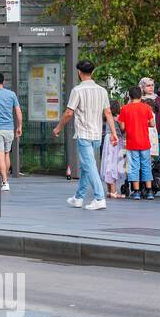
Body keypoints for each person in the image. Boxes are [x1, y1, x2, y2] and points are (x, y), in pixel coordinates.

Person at [52, 59, 115, 211]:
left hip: (84, 134)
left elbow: (69, 112)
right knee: (87, 166)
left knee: (90, 166)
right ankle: (78, 197)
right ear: (92, 72)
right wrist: (113, 132)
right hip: (97, 135)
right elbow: (108, 112)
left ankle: (99, 198)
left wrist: (58, 127)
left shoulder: (77, 90)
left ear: (79, 72)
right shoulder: (102, 90)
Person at [119, 86, 156, 200]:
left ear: (130, 96)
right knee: (146, 166)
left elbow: (122, 127)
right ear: (141, 96)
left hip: (132, 142)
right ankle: (149, 191)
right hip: (144, 142)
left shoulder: (125, 108)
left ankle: (136, 191)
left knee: (134, 166)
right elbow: (152, 123)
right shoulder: (146, 108)